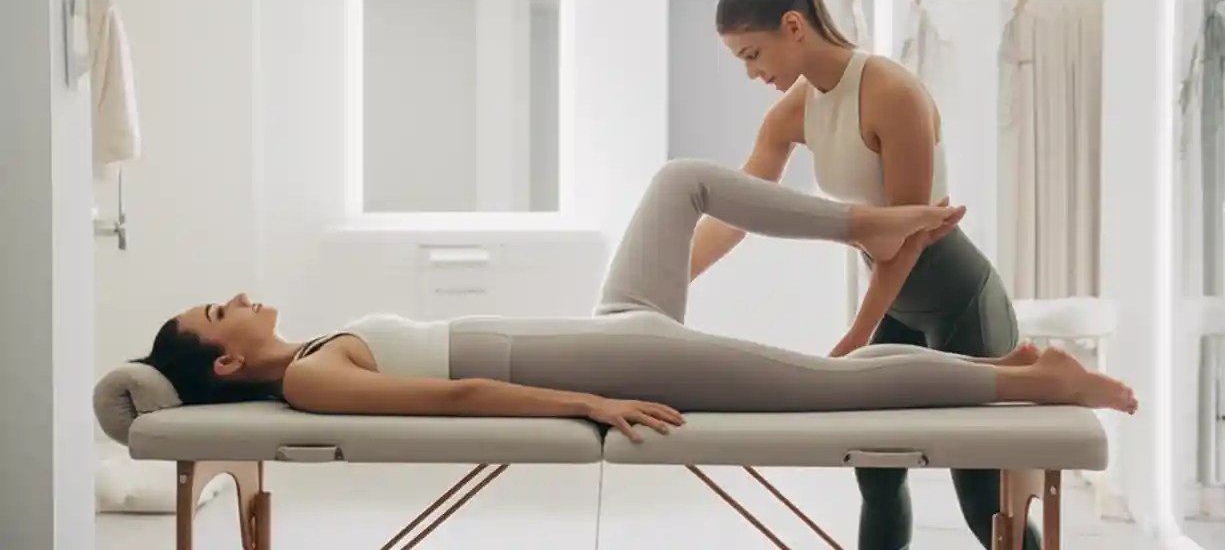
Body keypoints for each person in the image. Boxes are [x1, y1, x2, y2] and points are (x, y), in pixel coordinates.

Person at [136, 159, 1137, 449]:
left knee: (680, 184)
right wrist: (587, 406)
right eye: (216, 315)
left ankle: (861, 226)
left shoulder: (318, 348)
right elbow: (456, 400)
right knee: (822, 385)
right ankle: (1020, 377)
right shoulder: (311, 378)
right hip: (613, 365)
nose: (232, 300)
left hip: (611, 329)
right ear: (225, 364)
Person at [698, 0, 1043, 549]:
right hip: (898, 304)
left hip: (961, 301)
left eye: (752, 55)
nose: (752, 73)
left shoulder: (891, 92)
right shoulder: (793, 112)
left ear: (793, 27)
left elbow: (909, 238)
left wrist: (857, 336)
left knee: (981, 494)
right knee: (877, 471)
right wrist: (671, 275)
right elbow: (740, 208)